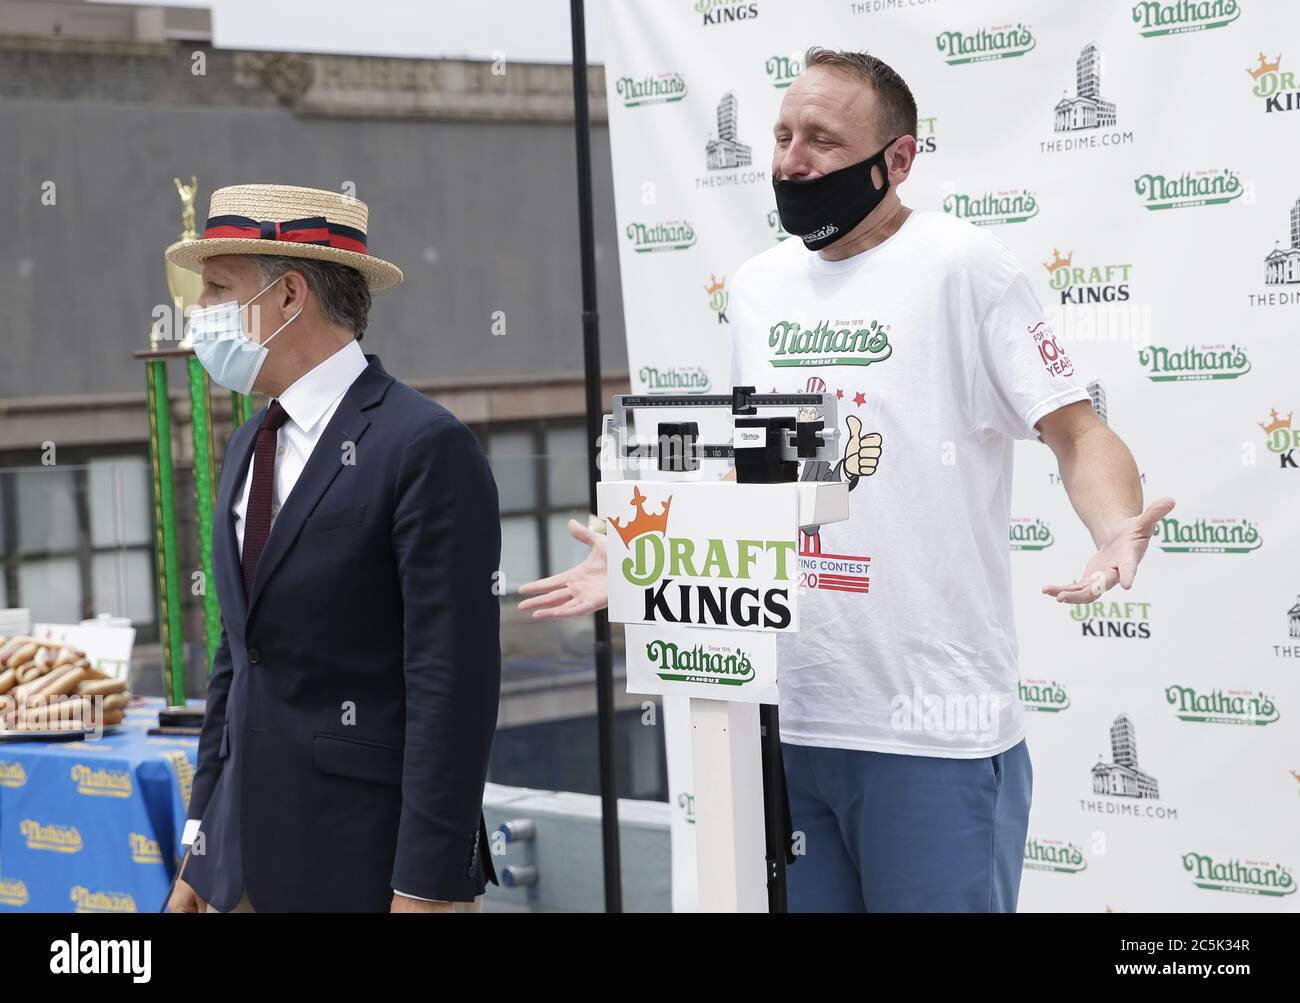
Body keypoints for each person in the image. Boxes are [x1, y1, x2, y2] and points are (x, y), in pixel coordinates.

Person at [519, 49, 1174, 912]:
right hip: (792, 717)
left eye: (822, 141)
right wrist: (653, 554)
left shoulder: (965, 266)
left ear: (896, 161)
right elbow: (762, 467)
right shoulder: (757, 287)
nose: (791, 161)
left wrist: (1113, 524)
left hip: (933, 730)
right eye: (784, 136)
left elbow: (1076, 429)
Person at [164, 184, 501, 913]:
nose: (199, 313)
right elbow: (238, 659)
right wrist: (203, 847)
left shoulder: (423, 445)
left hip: (369, 871)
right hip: (242, 872)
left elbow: (453, 686)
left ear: (289, 295)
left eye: (219, 288)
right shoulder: (249, 444)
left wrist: (424, 887)